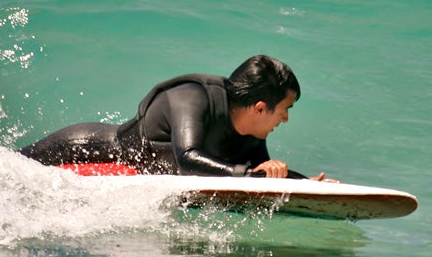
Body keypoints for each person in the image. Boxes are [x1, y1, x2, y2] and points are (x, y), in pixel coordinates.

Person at [19, 55, 334, 180]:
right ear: (261, 107)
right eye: (286, 109)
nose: (286, 120)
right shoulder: (193, 97)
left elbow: (257, 172)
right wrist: (250, 175)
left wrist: (308, 184)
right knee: (11, 169)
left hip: (136, 171)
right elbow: (189, 158)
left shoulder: (252, 133)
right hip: (87, 147)